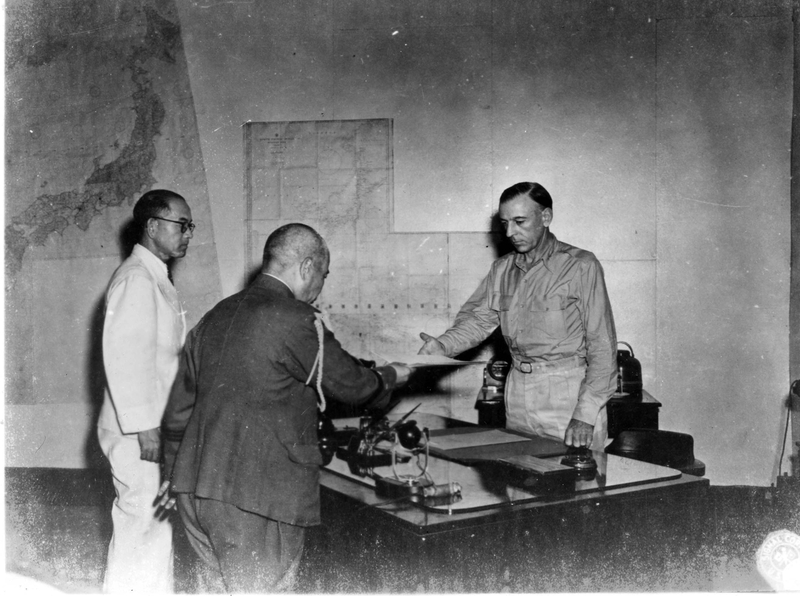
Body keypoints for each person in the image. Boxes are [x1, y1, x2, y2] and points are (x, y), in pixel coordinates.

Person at [160, 223, 412, 593]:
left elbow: (178, 414)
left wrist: (172, 472)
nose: (319, 288)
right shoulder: (295, 318)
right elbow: (353, 386)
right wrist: (392, 375)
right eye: (323, 276)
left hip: (195, 492)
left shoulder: (213, 316)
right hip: (255, 499)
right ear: (307, 267)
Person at [419, 182, 617, 449]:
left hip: (567, 395)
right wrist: (443, 345)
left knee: (578, 485)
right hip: (517, 393)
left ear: (545, 217)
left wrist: (585, 414)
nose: (510, 232)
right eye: (505, 223)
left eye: (520, 221)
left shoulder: (580, 266)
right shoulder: (502, 270)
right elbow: (479, 321)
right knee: (521, 482)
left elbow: (602, 346)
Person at [97, 189, 195, 593]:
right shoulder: (137, 279)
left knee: (153, 530)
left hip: (151, 427)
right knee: (142, 528)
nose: (188, 234)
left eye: (191, 226)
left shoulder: (154, 277)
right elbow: (124, 356)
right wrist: (145, 427)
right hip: (139, 432)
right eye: (181, 224)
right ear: (153, 226)